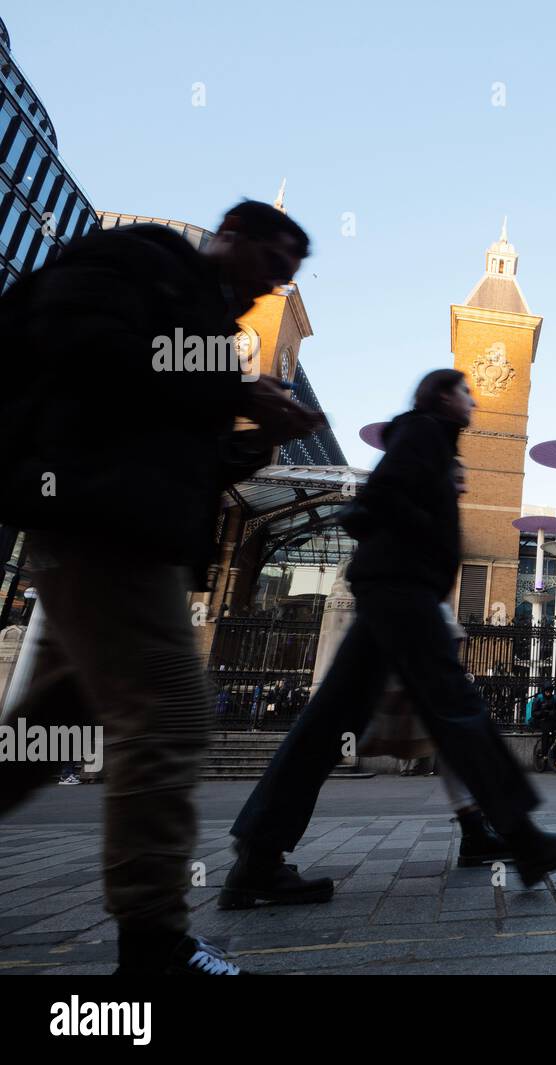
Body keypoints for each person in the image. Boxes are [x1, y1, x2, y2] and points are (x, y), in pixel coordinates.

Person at [0, 200, 326, 976]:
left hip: (133, 530)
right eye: (274, 262)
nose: (276, 281)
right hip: (93, 516)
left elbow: (195, 462)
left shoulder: (212, 331)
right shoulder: (147, 260)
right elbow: (88, 349)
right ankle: (153, 941)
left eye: (291, 274)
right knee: (171, 715)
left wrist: (258, 439)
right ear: (232, 237)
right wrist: (236, 393)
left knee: (46, 738)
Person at [223, 369, 556, 909]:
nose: (473, 400)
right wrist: (423, 535)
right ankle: (525, 838)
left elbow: (381, 501)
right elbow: (374, 504)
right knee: (458, 710)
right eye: (466, 392)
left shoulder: (429, 440)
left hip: (394, 591)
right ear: (445, 397)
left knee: (327, 724)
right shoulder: (422, 431)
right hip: (403, 591)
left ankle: (257, 856)